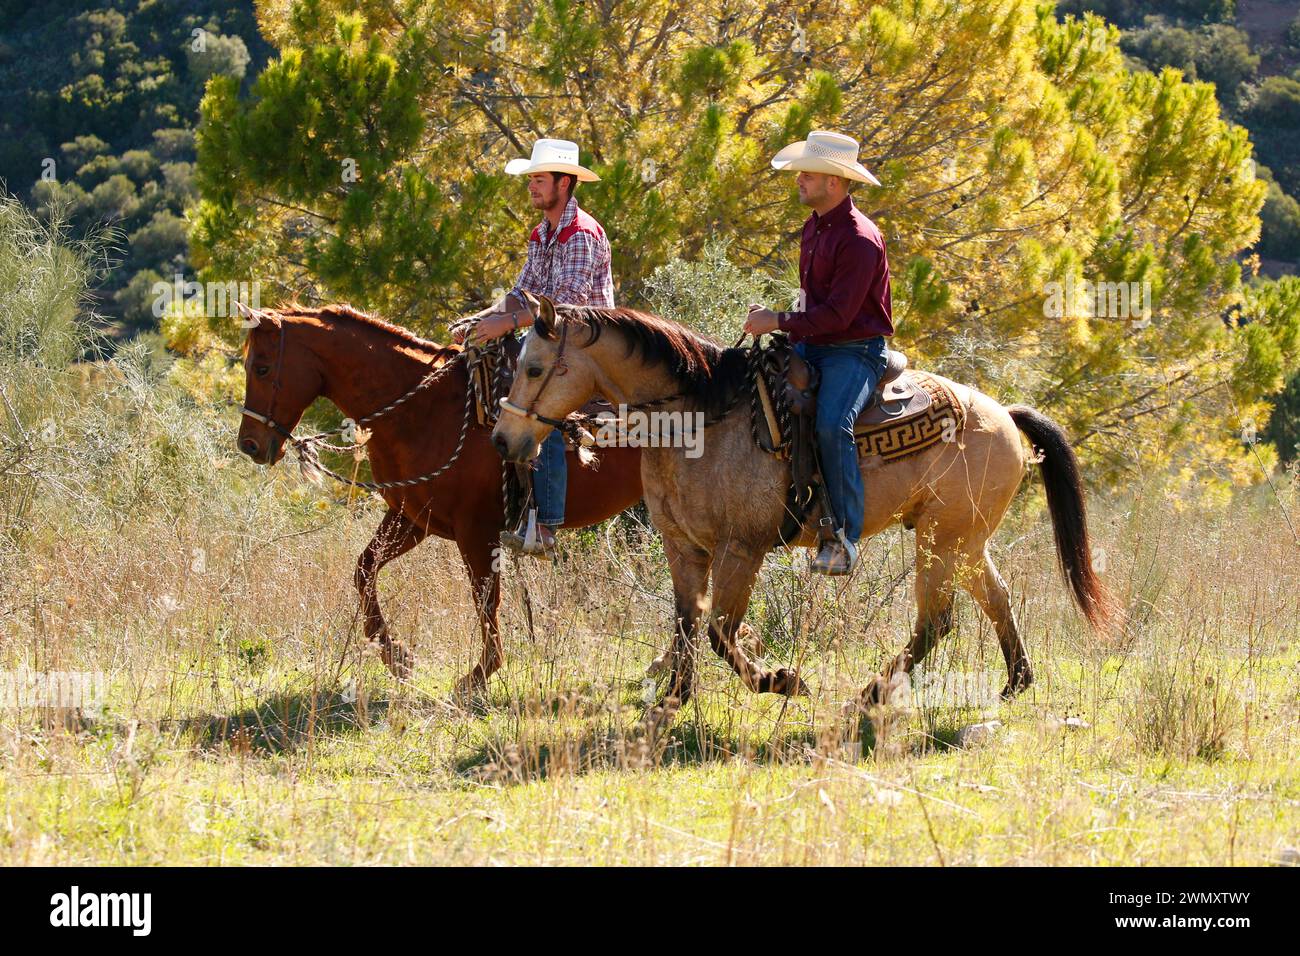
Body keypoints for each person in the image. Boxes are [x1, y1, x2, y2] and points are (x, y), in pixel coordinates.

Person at [744, 131, 893, 575]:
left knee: (832, 425)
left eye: (807, 172)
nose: (799, 179)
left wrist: (778, 321)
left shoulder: (860, 239)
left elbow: (841, 316)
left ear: (834, 180)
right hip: (815, 342)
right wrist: (784, 320)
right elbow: (815, 304)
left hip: (855, 350)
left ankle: (843, 537)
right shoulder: (815, 226)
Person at [467, 138, 614, 556]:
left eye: (539, 180)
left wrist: (506, 323)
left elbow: (567, 306)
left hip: (587, 344)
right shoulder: (542, 233)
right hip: (552, 340)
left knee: (540, 405)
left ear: (564, 183)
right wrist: (481, 321)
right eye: (531, 179)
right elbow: (521, 292)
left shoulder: (581, 234)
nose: (532, 187)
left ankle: (545, 526)